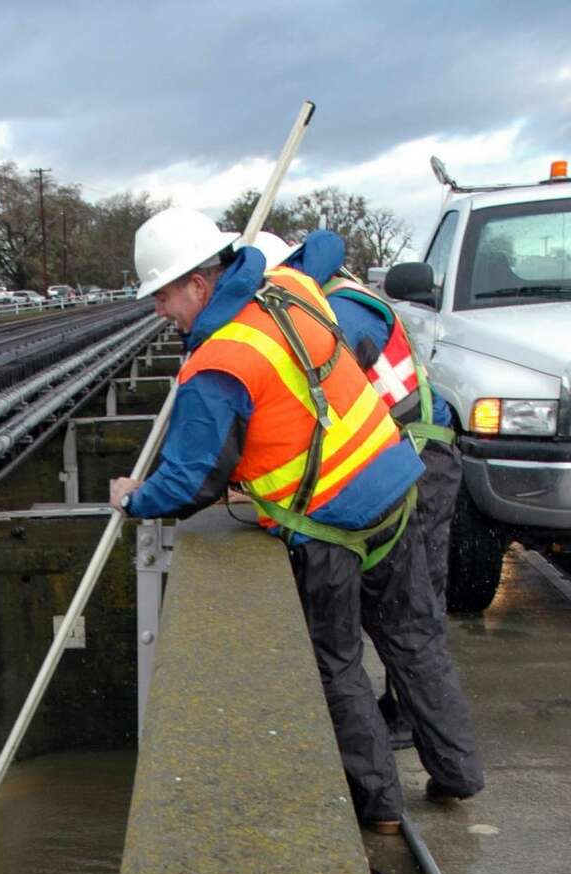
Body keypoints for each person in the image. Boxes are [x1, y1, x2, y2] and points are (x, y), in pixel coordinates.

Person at [110, 208, 483, 831]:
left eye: (164, 294)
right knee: (414, 640)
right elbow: (323, 250)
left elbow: (192, 481)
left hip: (328, 531)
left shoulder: (217, 367)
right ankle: (458, 773)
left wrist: (133, 497)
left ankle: (380, 810)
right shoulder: (292, 290)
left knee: (337, 667)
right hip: (393, 490)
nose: (159, 311)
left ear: (201, 284)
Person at [256, 231, 464, 758]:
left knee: (412, 611)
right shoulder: (337, 299)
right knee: (407, 609)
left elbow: (311, 394)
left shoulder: (336, 315)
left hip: (417, 459)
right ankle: (427, 736)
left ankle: (410, 723)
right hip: (406, 455)